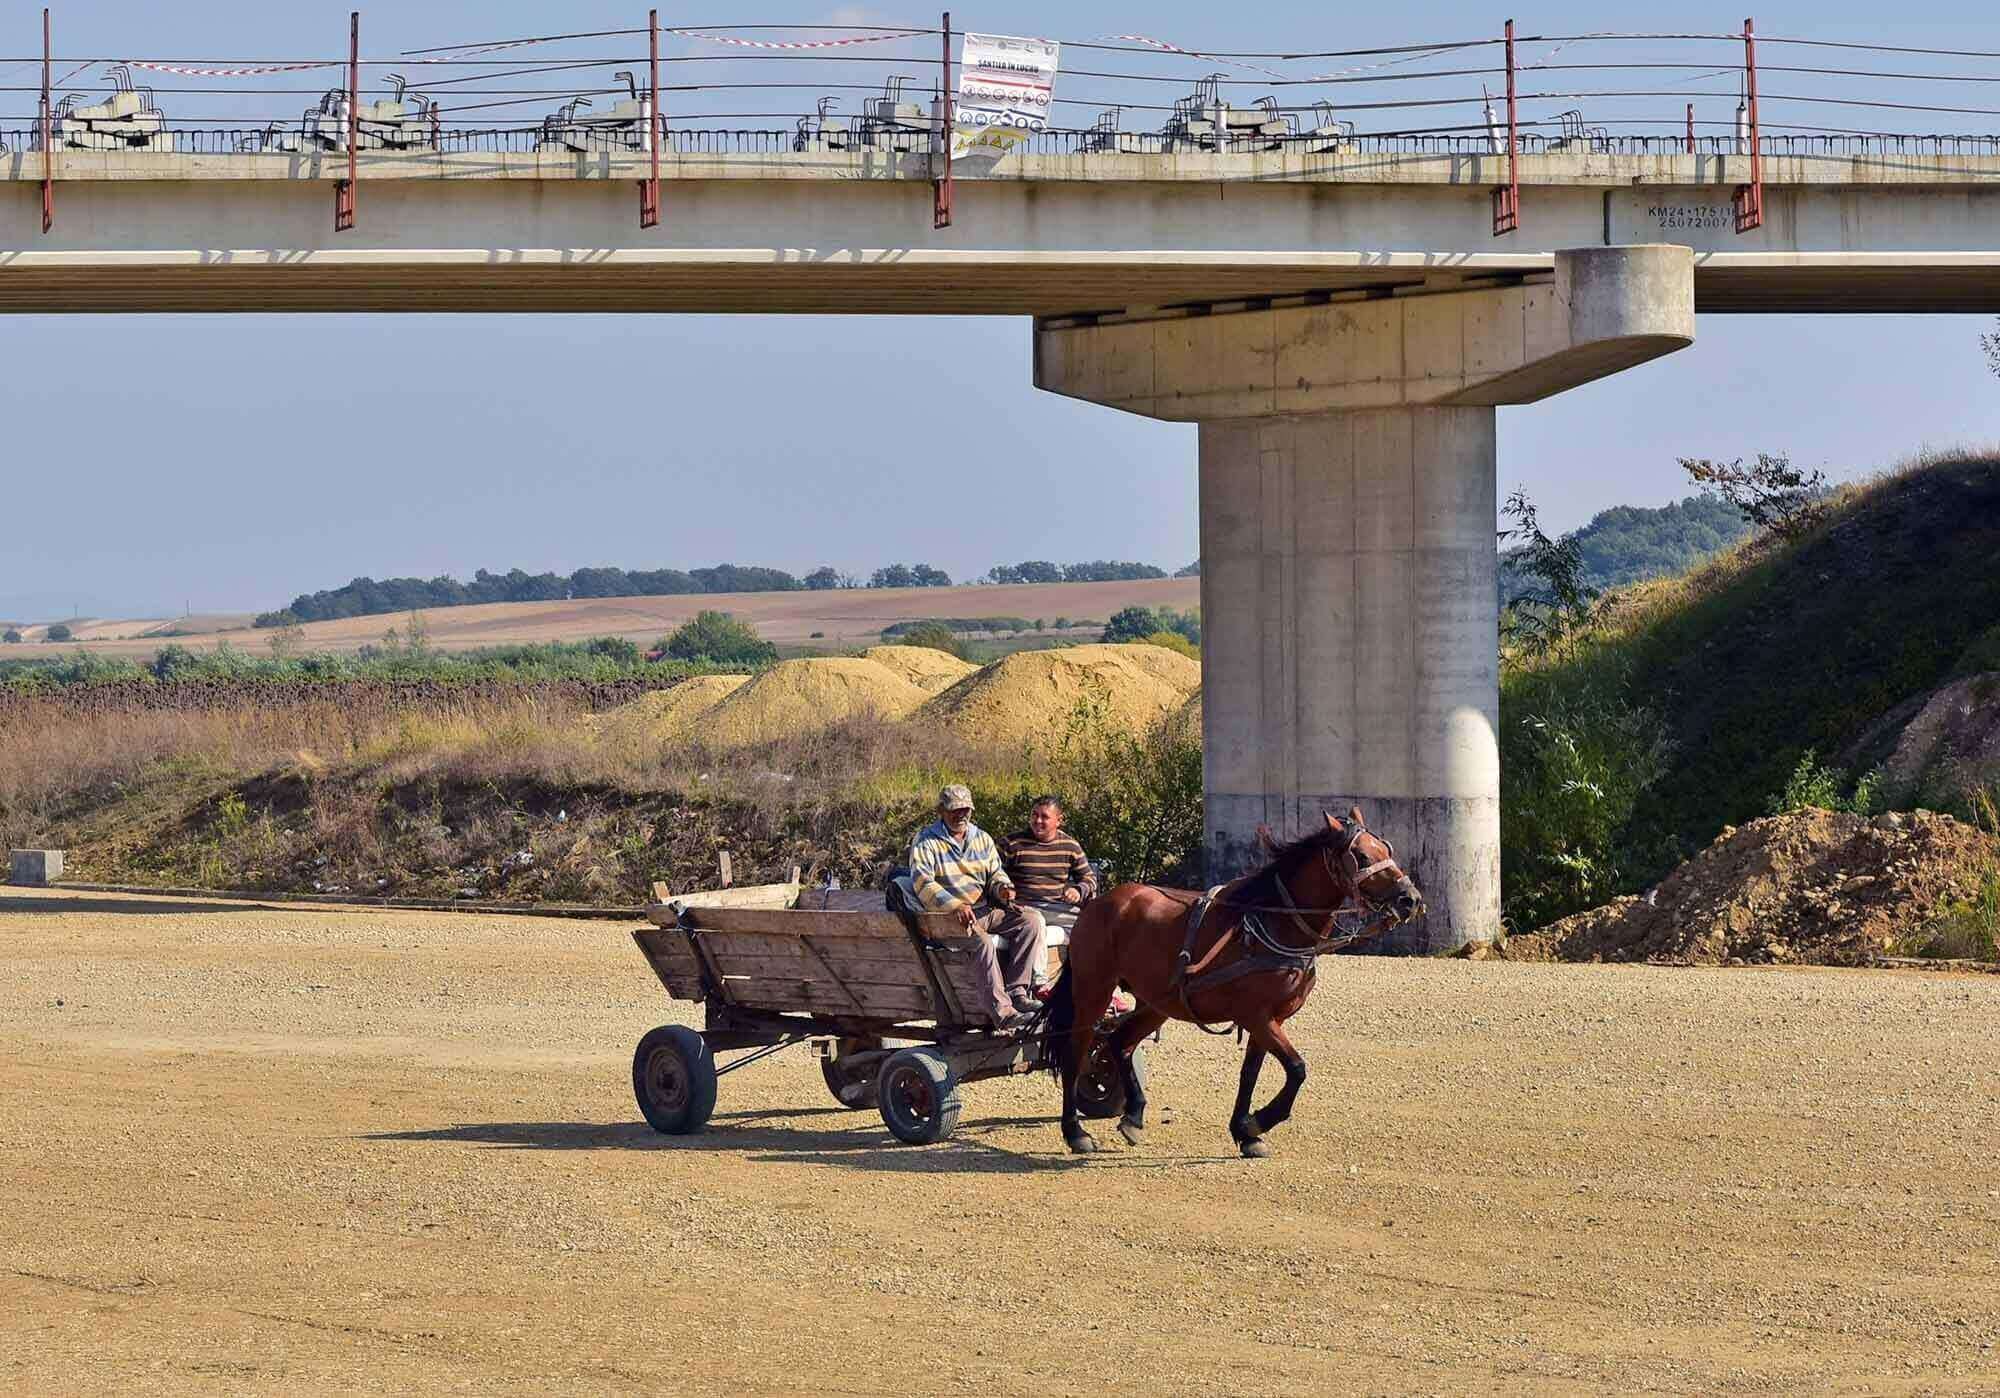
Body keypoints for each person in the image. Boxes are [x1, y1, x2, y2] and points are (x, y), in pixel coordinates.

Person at [906, 785, 1046, 1024]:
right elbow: (922, 883)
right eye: (955, 810)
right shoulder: (926, 841)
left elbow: (995, 873)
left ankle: (1017, 991)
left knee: (1031, 921)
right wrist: (954, 906)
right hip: (947, 916)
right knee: (982, 943)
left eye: (965, 810)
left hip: (983, 909)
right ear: (941, 810)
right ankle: (1002, 1013)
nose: (961, 815)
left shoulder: (981, 838)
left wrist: (1003, 889)